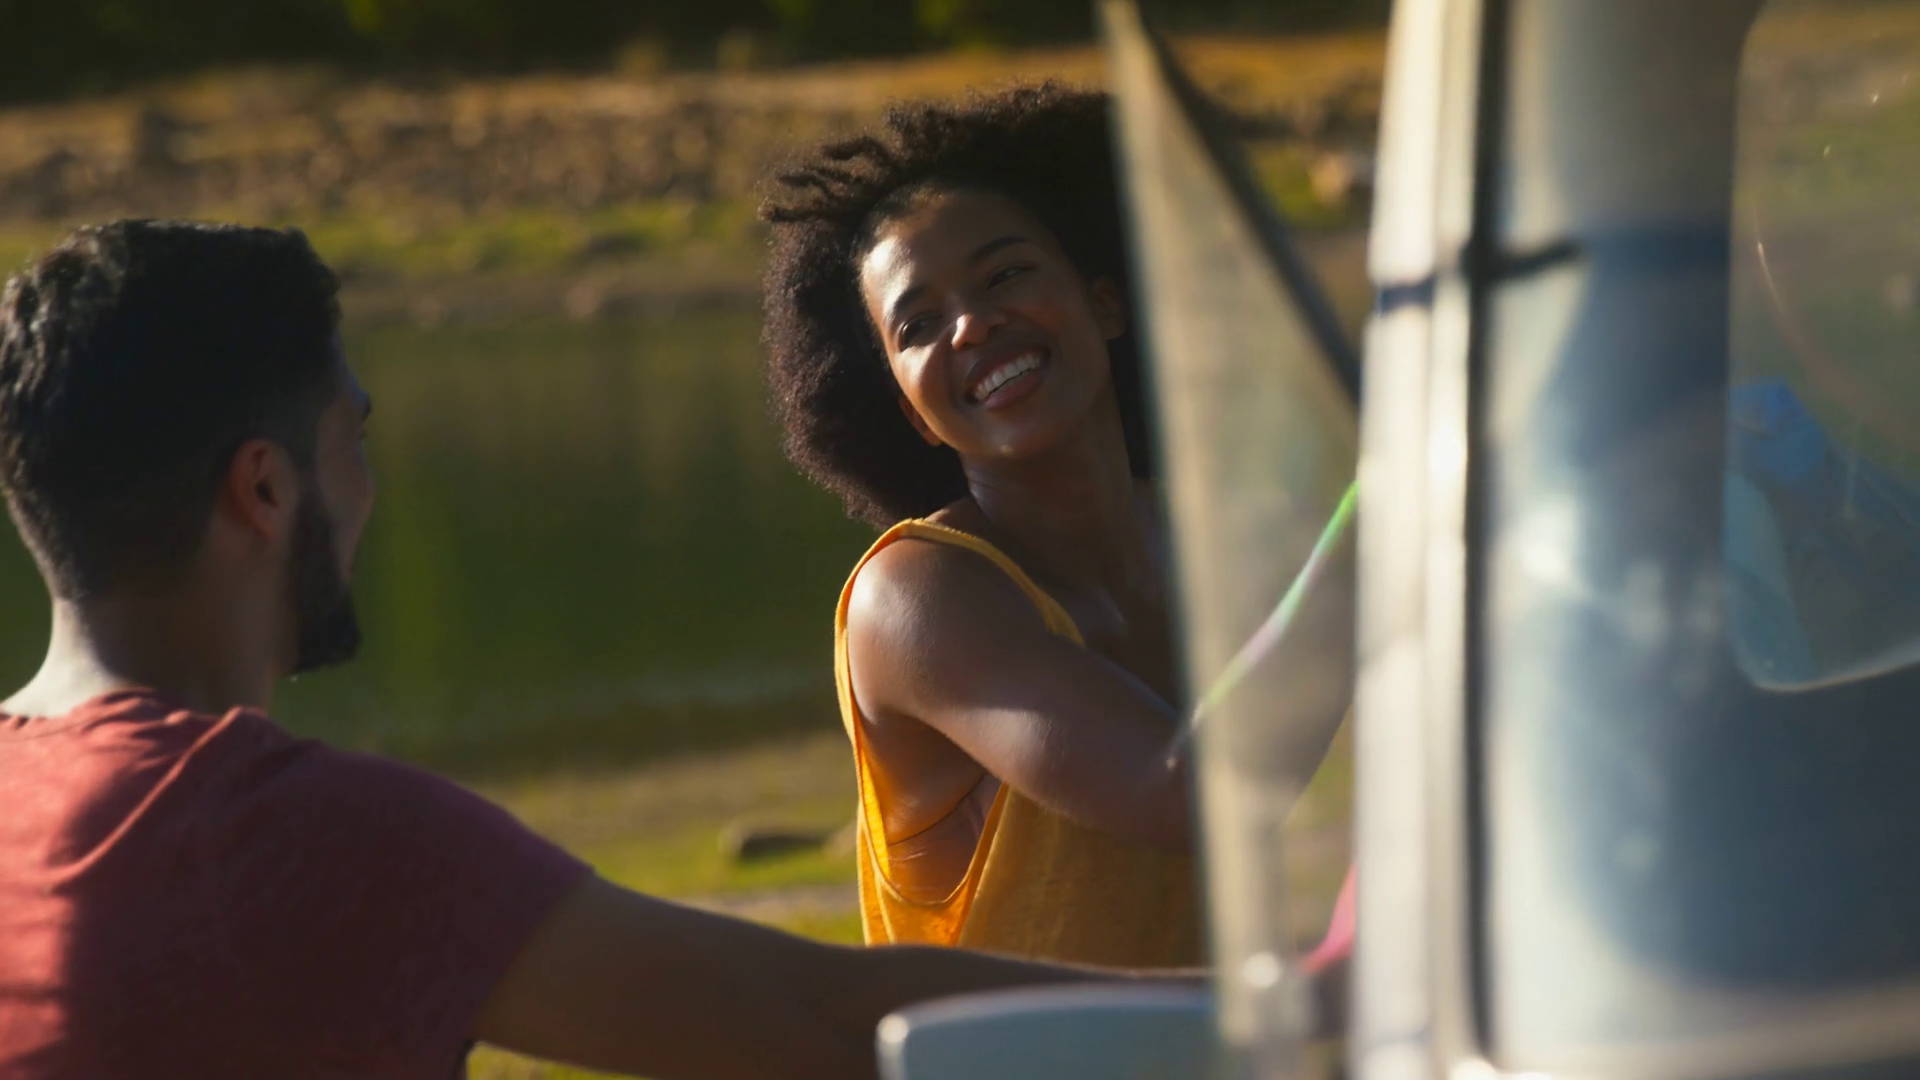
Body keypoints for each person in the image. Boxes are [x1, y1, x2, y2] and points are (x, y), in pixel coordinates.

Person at [0, 220, 1127, 1080]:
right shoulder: (278, 830)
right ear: (264, 487)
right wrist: (1268, 1013)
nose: (370, 486)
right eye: (356, 436)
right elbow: (819, 1021)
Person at [760, 84, 1352, 968]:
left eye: (1005, 275)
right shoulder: (916, 599)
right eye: (920, 323)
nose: (972, 324)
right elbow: (1187, 796)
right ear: (910, 411)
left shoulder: (1221, 540)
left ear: (1107, 306)